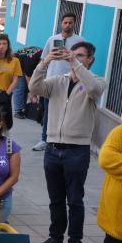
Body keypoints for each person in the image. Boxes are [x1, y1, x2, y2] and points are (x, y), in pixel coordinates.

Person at [29, 41, 106, 243]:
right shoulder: (57, 82)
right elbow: (34, 87)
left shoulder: (97, 81)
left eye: (80, 56)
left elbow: (92, 89)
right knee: (55, 199)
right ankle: (55, 237)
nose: (74, 59)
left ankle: (75, 242)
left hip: (77, 151)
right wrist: (45, 62)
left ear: (90, 59)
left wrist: (74, 64)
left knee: (74, 199)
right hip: (53, 149)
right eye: (72, 55)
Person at [34, 13, 82, 151]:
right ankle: (45, 139)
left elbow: (83, 62)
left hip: (70, 83)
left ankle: (64, 140)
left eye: (70, 23)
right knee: (49, 112)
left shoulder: (79, 41)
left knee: (69, 113)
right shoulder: (52, 39)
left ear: (74, 24)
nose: (67, 25)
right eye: (65, 22)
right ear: (61, 24)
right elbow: (44, 60)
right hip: (51, 82)